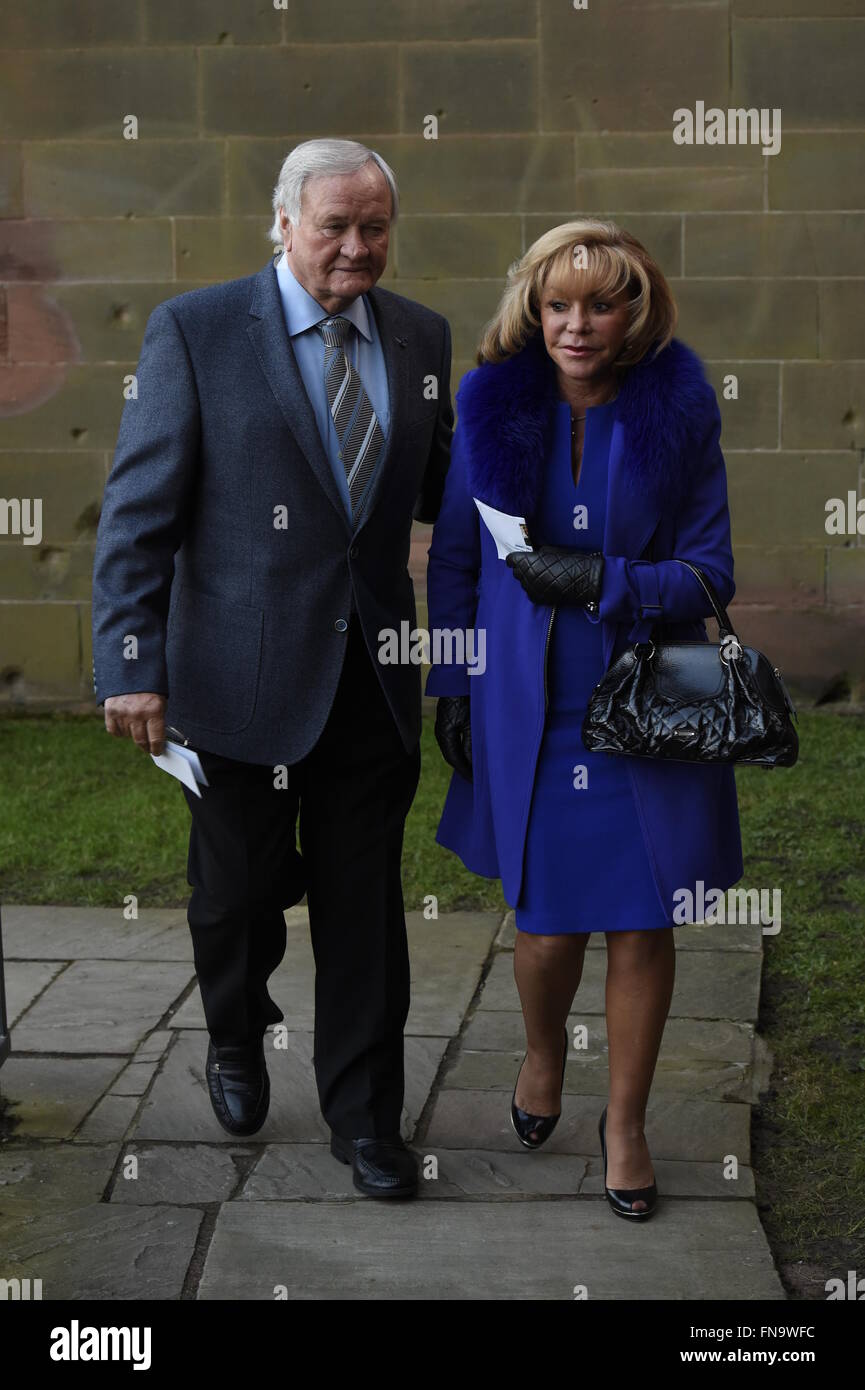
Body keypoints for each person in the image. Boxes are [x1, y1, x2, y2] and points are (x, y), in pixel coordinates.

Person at [91, 139, 453, 1200]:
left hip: (371, 680)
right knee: (235, 897)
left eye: (375, 226)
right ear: (282, 223)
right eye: (335, 225)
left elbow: (443, 487)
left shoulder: (421, 336)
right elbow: (139, 510)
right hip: (233, 679)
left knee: (364, 912)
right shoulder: (197, 331)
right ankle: (237, 1027)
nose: (356, 247)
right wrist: (130, 660)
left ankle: (367, 1122)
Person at [425, 220, 744, 1220]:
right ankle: (539, 1052)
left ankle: (626, 1122)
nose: (576, 323)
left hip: (649, 698)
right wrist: (453, 684)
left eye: (599, 303)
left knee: (644, 923)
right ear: (533, 305)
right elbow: (456, 566)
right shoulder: (489, 406)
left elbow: (709, 571)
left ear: (632, 312)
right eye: (558, 302)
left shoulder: (678, 413)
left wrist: (605, 580)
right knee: (549, 925)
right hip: (527, 699)